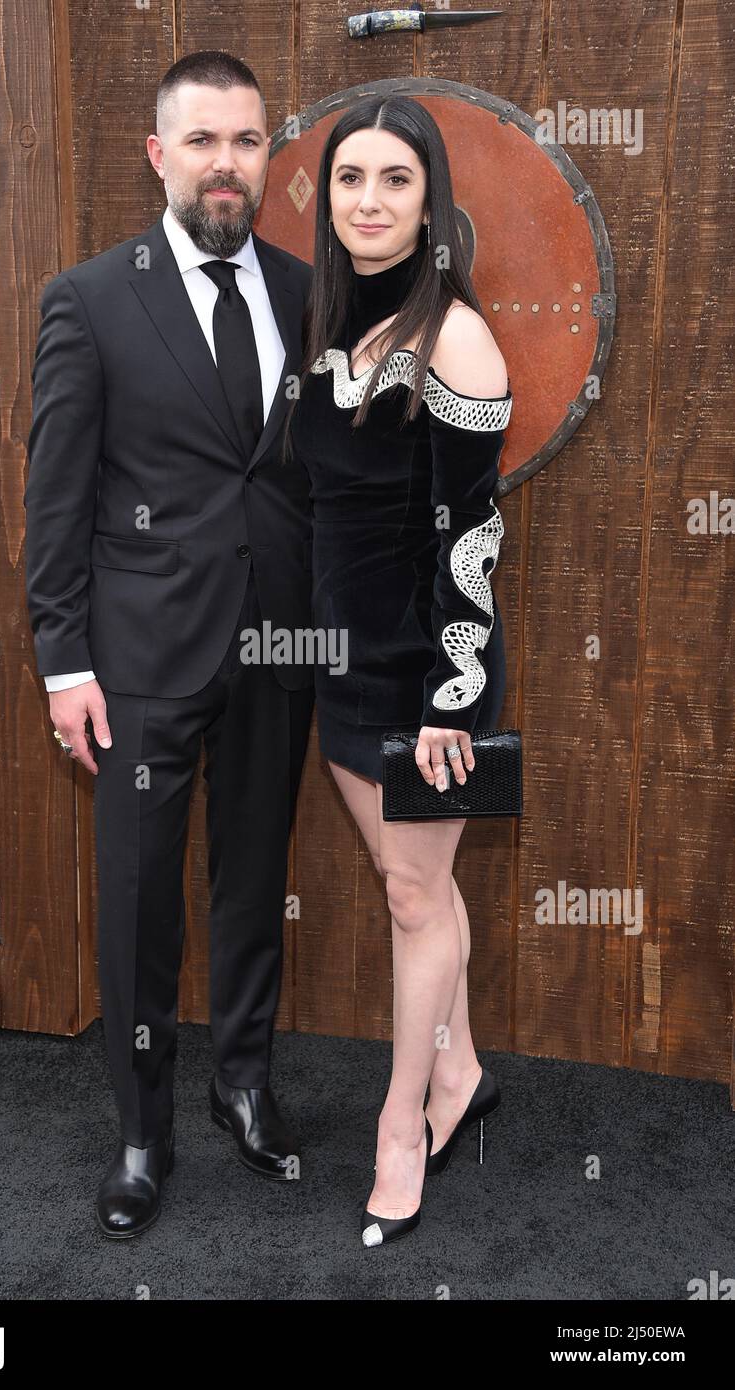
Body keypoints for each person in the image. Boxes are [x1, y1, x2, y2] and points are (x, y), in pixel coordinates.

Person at [24, 51, 315, 1238]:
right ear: (159, 154)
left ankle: (241, 1083)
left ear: (267, 156)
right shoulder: (89, 299)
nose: (226, 163)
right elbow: (55, 495)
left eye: (246, 141)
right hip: (138, 659)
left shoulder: (308, 293)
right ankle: (142, 1132)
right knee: (143, 901)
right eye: (202, 141)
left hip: (280, 645)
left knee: (254, 882)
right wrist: (62, 659)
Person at [287, 94, 512, 1246]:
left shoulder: (454, 335)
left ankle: (400, 1126)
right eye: (349, 179)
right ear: (327, 200)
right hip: (340, 665)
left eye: (395, 181)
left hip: (428, 676)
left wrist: (453, 698)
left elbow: (469, 538)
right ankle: (462, 1066)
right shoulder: (332, 326)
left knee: (415, 899)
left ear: (431, 206)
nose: (368, 200)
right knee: (413, 891)